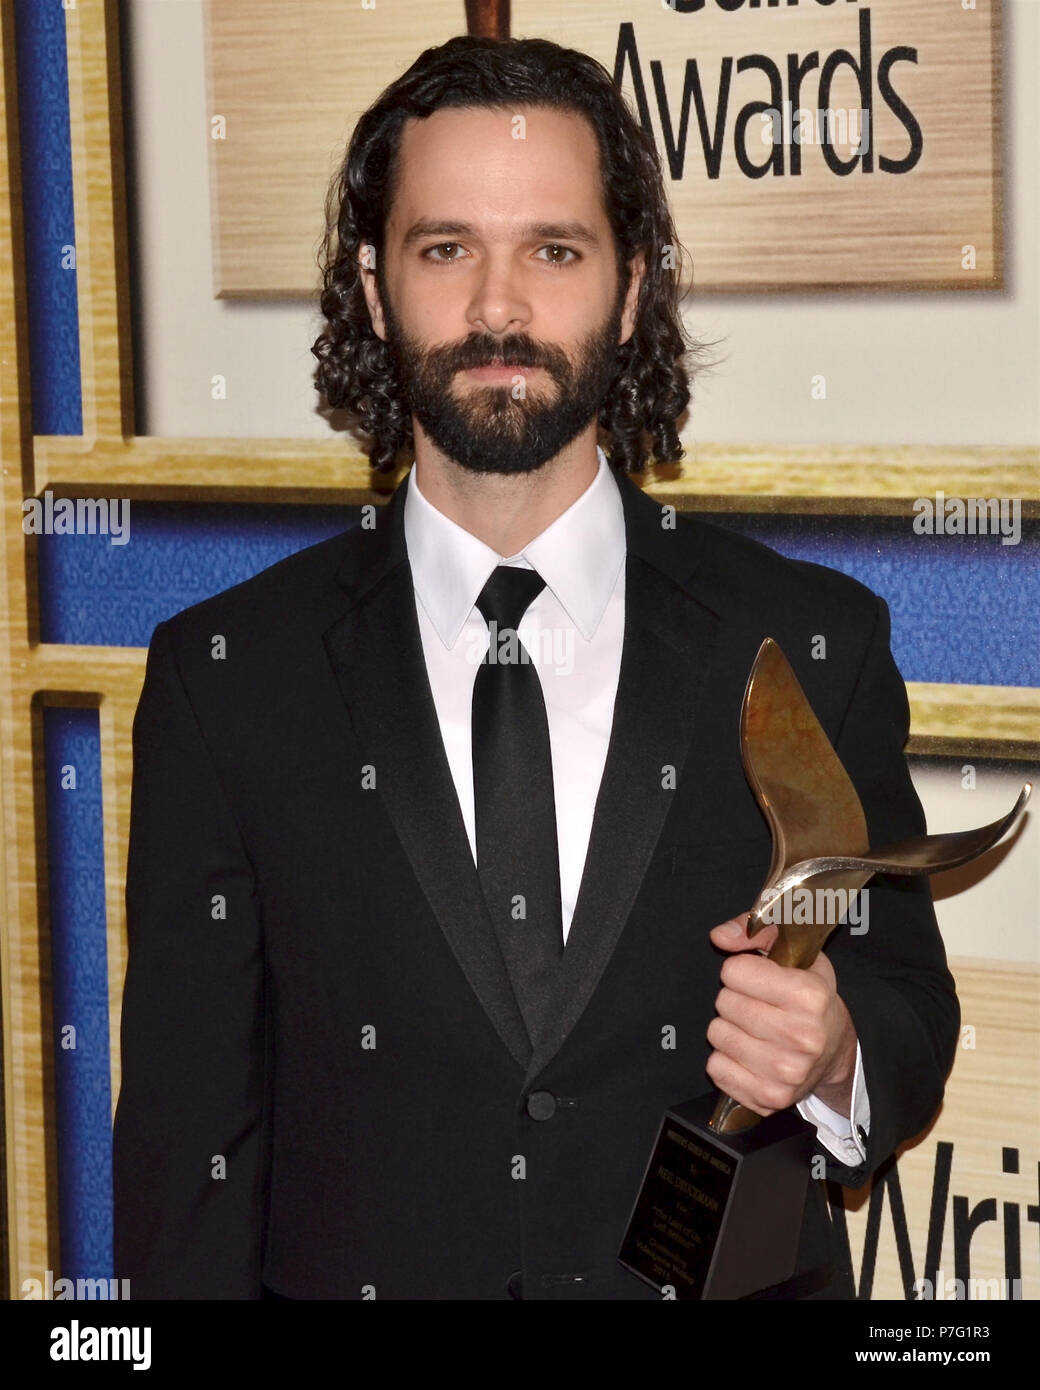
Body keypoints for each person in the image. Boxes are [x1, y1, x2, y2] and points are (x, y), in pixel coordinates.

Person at [112, 35, 959, 1300]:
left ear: (627, 291)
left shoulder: (809, 641)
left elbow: (904, 1005)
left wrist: (833, 1052)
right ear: (373, 281)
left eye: (553, 252)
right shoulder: (226, 677)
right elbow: (189, 1154)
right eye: (445, 248)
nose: (498, 309)